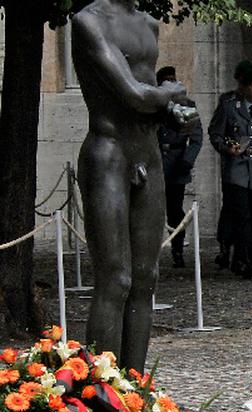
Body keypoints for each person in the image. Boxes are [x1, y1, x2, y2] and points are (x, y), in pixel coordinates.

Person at [72, 0, 196, 371]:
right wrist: (172, 93)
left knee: (146, 279)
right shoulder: (88, 21)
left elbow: (147, 97)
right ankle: (101, 392)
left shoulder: (148, 23)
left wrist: (171, 111)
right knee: (115, 279)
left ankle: (135, 389)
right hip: (109, 154)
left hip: (148, 151)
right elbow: (133, 93)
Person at [208, 66, 252, 279]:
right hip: (237, 169)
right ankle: (242, 259)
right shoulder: (230, 106)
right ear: (244, 87)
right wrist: (227, 148)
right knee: (241, 215)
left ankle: (247, 253)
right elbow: (216, 133)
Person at [155, 66, 203, 268]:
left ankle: (177, 249)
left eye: (172, 80)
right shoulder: (155, 106)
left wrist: (187, 160)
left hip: (176, 161)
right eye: (165, 80)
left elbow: (196, 137)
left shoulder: (186, 105)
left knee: (175, 209)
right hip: (156, 160)